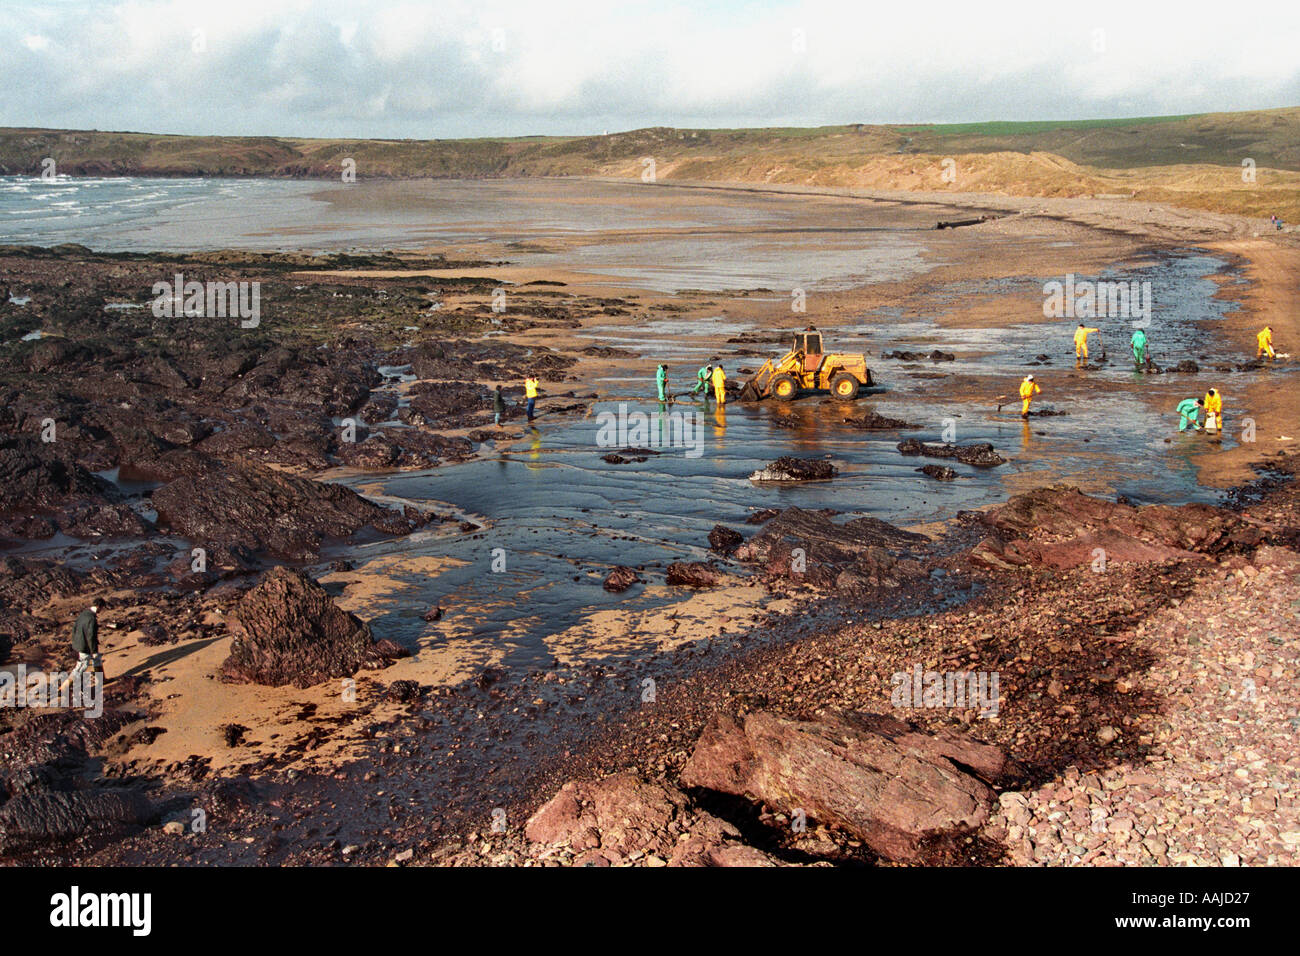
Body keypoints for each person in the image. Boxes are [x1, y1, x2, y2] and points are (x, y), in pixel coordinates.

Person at [69, 597, 103, 685]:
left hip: (78, 642)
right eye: (102, 608)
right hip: (84, 646)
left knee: (97, 659)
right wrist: (93, 651)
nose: (101, 610)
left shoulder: (84, 613)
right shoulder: (92, 619)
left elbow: (75, 628)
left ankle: (101, 680)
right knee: (82, 666)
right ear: (99, 607)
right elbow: (91, 636)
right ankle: (66, 686)